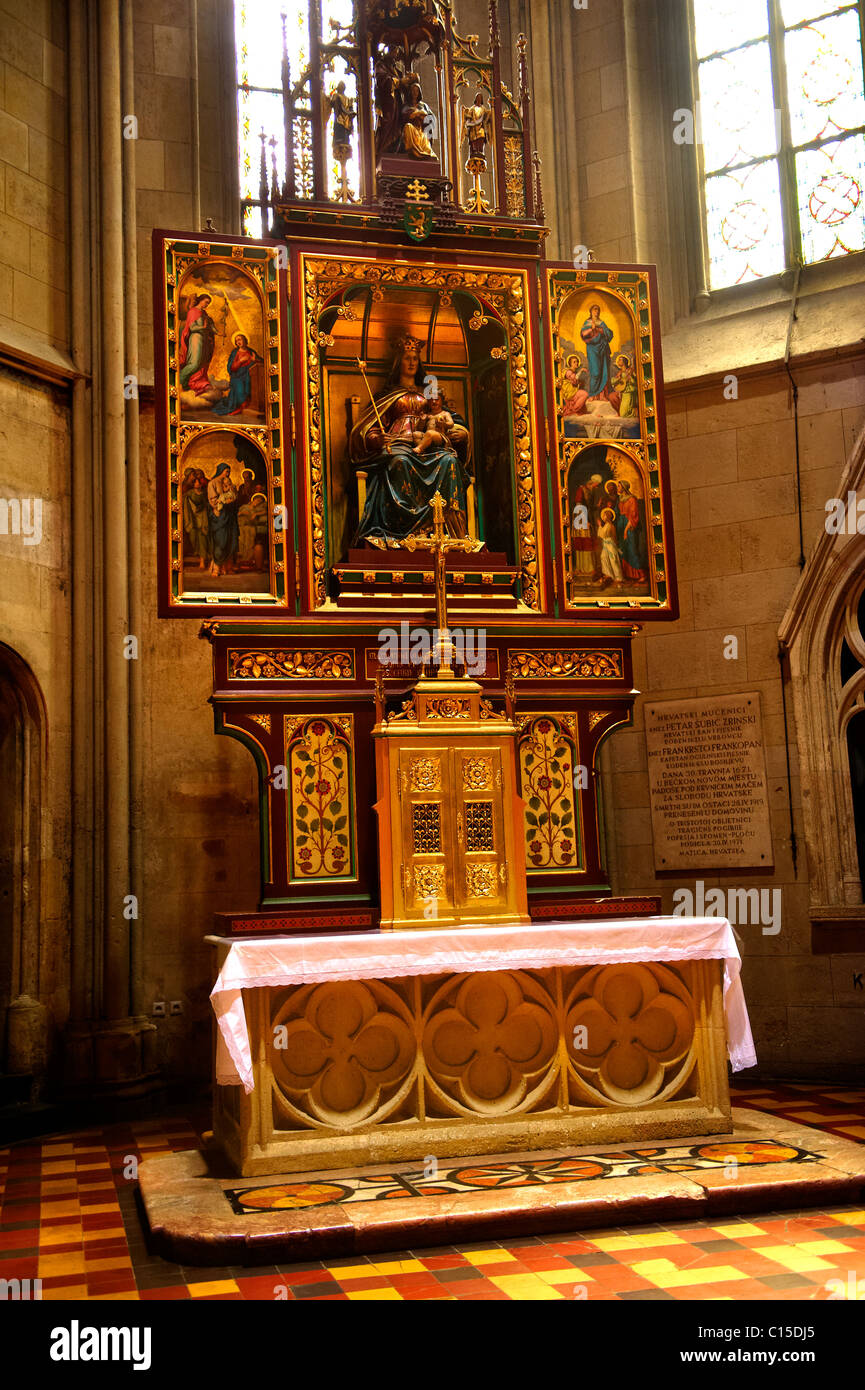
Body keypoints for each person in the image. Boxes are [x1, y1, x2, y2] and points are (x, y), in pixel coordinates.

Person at [351, 336, 471, 544]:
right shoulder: (387, 395)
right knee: (399, 462)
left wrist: (463, 433)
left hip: (428, 445)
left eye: (415, 358)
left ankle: (451, 533)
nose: (412, 362)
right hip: (399, 444)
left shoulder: (429, 395)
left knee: (449, 462)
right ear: (399, 362)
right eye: (407, 358)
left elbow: (450, 418)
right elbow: (369, 428)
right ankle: (401, 533)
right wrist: (376, 439)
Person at [212, 333, 262, 417]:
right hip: (237, 377)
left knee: (249, 387)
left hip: (249, 376)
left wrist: (255, 359)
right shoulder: (235, 352)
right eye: (236, 341)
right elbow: (231, 367)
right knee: (239, 390)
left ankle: (246, 406)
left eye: (239, 339)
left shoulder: (251, 351)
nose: (238, 342)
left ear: (245, 340)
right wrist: (240, 361)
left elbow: (262, 361)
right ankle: (240, 407)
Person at [580, 302, 618, 404]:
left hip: (602, 348)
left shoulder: (602, 323)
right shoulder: (587, 322)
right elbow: (583, 334)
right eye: (594, 309)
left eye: (598, 309)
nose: (596, 311)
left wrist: (599, 329)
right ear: (591, 311)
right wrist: (591, 329)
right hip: (592, 349)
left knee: (603, 371)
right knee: (595, 372)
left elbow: (609, 334)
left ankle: (602, 395)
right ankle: (593, 394)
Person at [178, 293, 216, 395]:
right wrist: (203, 327)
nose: (206, 305)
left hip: (203, 340)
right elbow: (192, 328)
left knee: (200, 365)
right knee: (194, 364)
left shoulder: (204, 314)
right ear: (201, 300)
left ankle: (190, 383)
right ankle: (179, 380)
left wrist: (217, 331)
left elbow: (211, 327)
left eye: (208, 303)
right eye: (206, 302)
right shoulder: (193, 311)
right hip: (195, 338)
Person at [207, 463, 239, 576]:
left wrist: (231, 494)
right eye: (226, 471)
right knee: (220, 541)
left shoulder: (230, 483)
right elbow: (213, 500)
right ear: (221, 471)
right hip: (219, 516)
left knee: (230, 541)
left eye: (229, 471)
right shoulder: (213, 483)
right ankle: (216, 568)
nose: (228, 473)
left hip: (230, 516)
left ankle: (227, 567)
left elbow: (234, 497)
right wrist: (222, 503)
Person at [182, 468, 210, 569]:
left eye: (199, 481)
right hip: (192, 519)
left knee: (202, 539)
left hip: (203, 519)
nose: (198, 483)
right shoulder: (189, 493)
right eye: (196, 482)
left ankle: (202, 560)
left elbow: (207, 504)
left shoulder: (204, 493)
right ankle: (198, 557)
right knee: (194, 538)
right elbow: (183, 500)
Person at [598, 507, 623, 583]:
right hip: (606, 544)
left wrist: (599, 526)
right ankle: (608, 574)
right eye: (604, 515)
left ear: (609, 517)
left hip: (610, 544)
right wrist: (600, 526)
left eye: (605, 515)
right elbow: (601, 535)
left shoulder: (609, 525)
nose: (604, 517)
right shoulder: (606, 525)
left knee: (613, 560)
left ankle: (619, 577)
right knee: (603, 557)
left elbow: (603, 535)